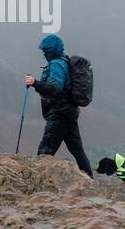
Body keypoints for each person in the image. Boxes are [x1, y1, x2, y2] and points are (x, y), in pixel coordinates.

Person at [25, 33, 92, 177]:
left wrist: (35, 83)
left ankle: (36, 182)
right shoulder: (63, 61)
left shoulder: (57, 64)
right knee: (77, 150)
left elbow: (55, 87)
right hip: (68, 112)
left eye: (45, 51)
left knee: (45, 150)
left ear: (51, 50)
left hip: (60, 114)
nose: (43, 54)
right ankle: (90, 180)